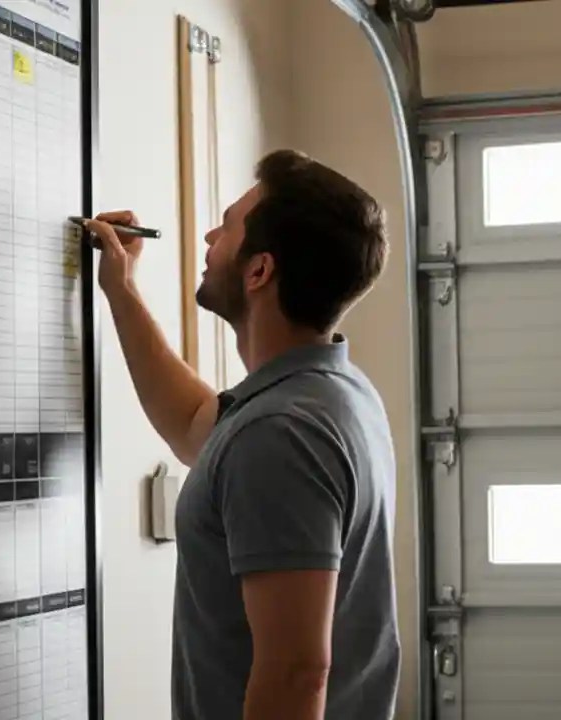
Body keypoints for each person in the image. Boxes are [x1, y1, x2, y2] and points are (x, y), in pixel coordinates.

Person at [83, 148, 399, 720]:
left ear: (259, 271)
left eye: (226, 227)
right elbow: (191, 423)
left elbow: (296, 673)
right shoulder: (330, 393)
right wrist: (121, 291)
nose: (209, 237)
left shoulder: (281, 433)